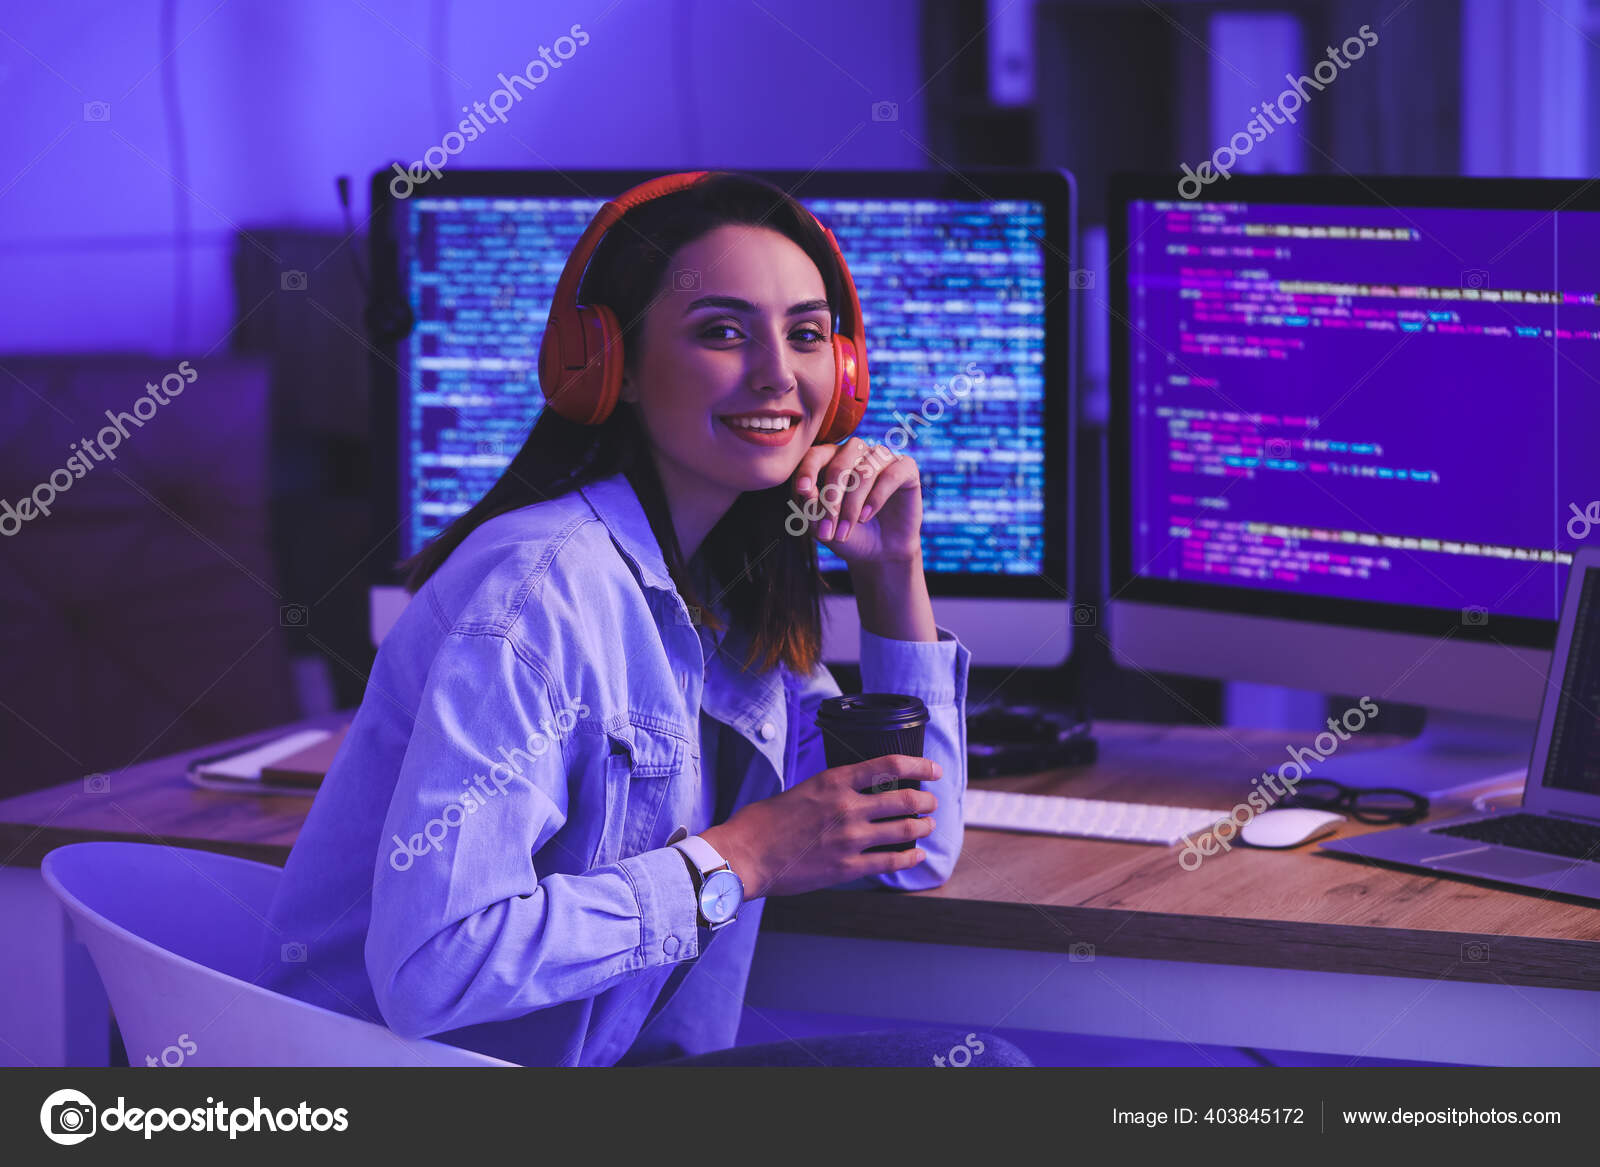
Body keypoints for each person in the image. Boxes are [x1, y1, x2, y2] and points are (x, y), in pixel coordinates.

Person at [261, 170, 1030, 1068]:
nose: (779, 374)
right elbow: (433, 969)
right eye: (723, 332)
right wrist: (738, 859)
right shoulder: (541, 589)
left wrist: (893, 574)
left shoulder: (721, 586)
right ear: (610, 368)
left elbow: (912, 848)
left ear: (847, 372)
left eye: (809, 334)